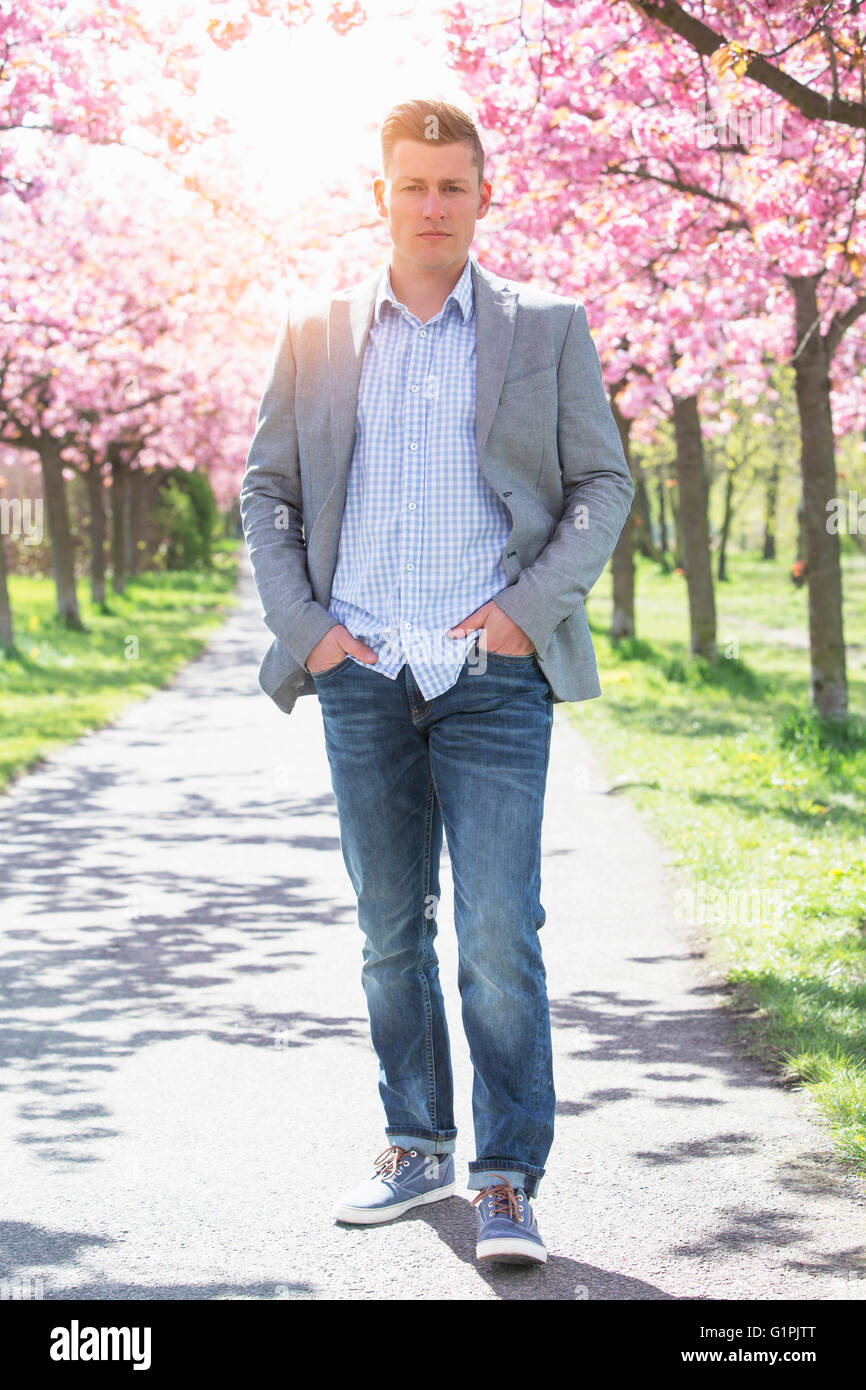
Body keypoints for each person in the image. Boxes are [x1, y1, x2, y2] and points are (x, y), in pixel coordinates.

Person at [240, 98, 634, 1266]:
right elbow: (268, 490)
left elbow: (599, 485)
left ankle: (507, 1176)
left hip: (490, 675)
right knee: (384, 927)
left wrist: (523, 614)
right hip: (360, 667)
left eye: (450, 186)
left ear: (481, 195)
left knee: (498, 928)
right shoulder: (313, 331)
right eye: (410, 185)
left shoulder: (544, 327)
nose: (430, 205)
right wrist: (307, 631)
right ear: (379, 195)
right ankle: (415, 1144)